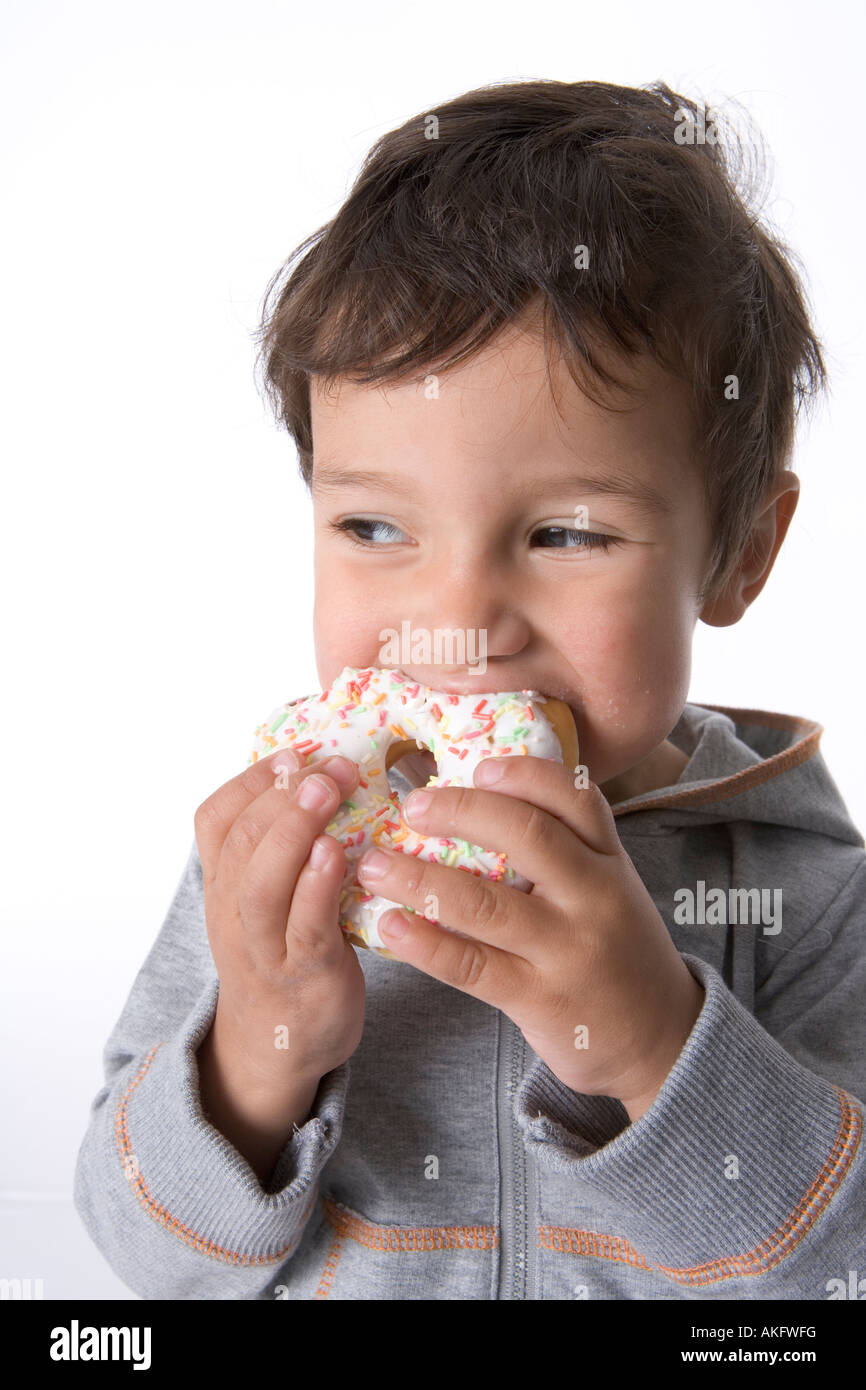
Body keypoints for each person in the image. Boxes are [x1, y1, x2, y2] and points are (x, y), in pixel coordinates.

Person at [74, 78, 866, 1300]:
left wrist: (652, 1044)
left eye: (564, 535)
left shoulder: (797, 888)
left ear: (740, 551)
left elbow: (836, 1269)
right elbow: (143, 1258)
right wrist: (257, 1051)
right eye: (375, 525)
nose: (453, 626)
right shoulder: (280, 863)